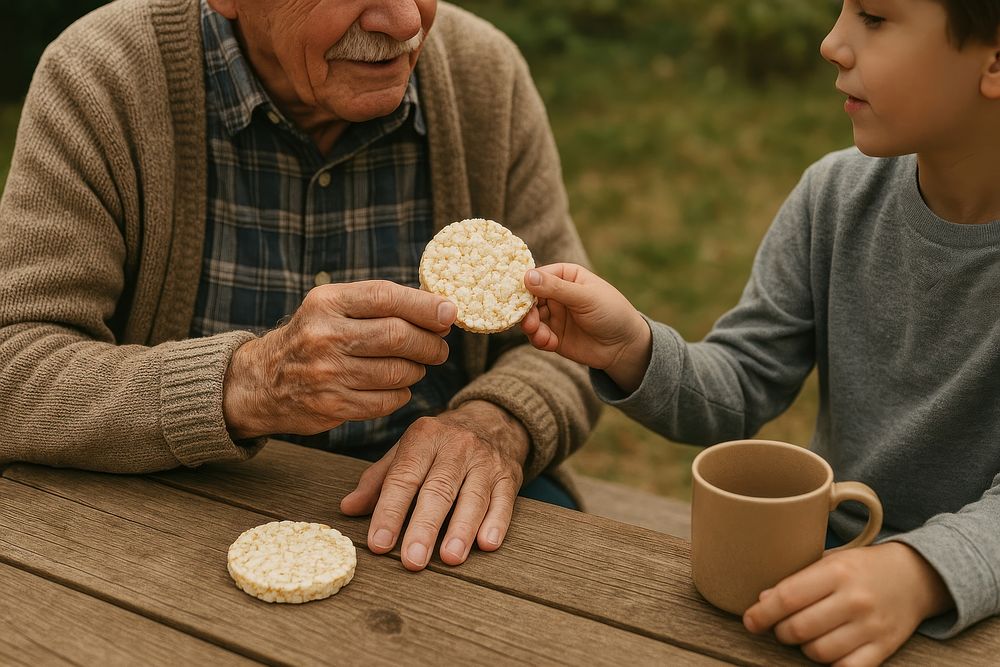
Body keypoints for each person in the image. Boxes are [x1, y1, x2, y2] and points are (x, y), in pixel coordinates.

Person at [0, 0, 600, 573]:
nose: (404, 22)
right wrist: (247, 384)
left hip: (432, 505)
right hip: (175, 496)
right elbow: (15, 363)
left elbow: (574, 340)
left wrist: (495, 423)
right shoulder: (104, 75)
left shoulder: (484, 73)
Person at [519, 0, 1000, 664]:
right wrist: (632, 348)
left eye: (875, 18)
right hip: (825, 579)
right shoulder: (832, 197)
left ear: (995, 58)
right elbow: (741, 383)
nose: (832, 42)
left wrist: (918, 574)